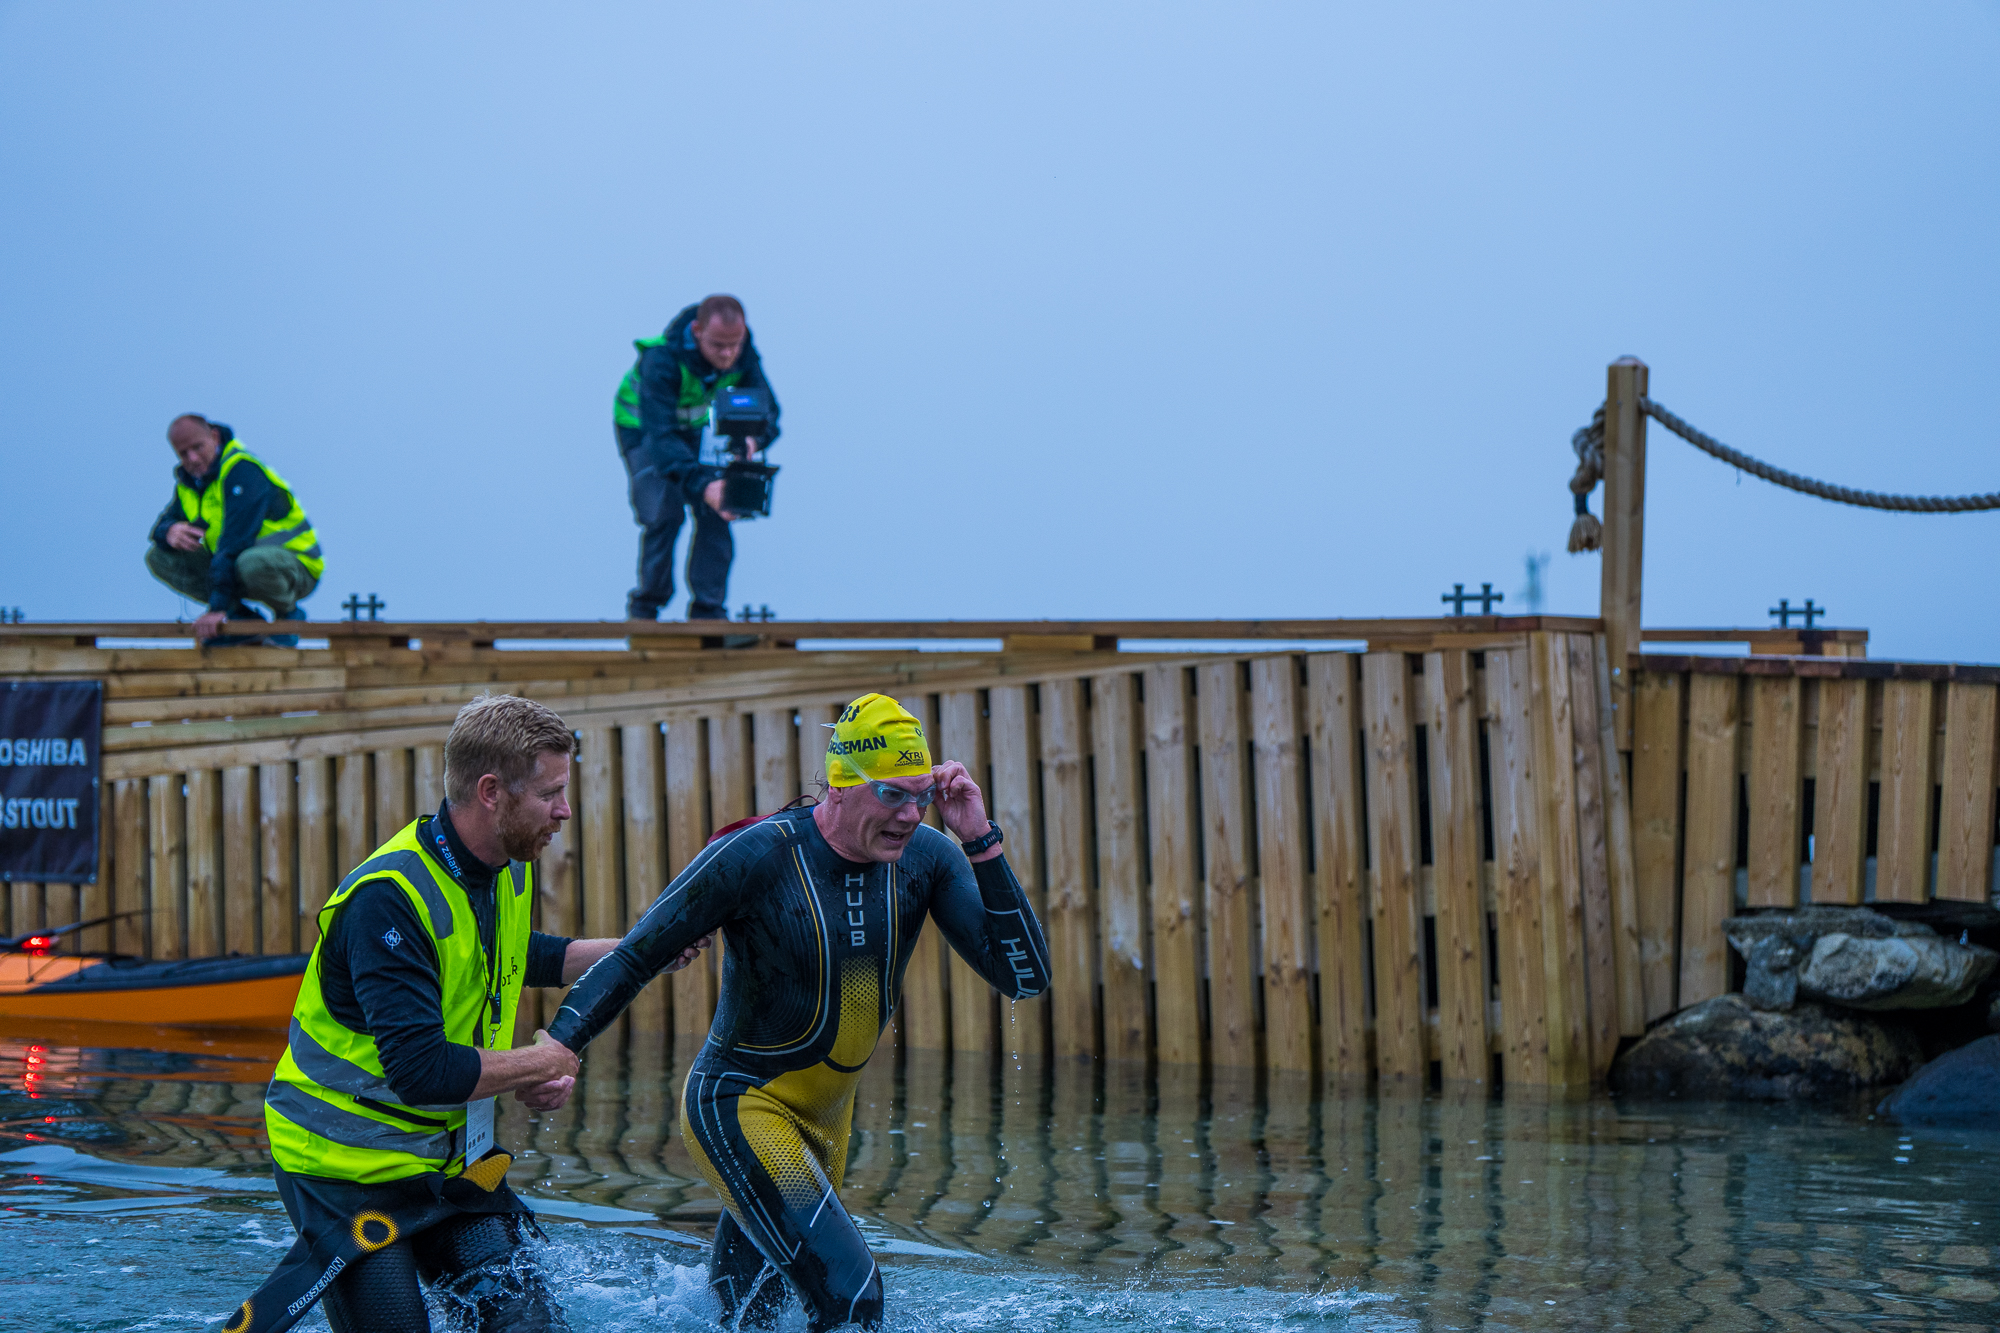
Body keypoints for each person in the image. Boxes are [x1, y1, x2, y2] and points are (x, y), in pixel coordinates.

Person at [547, 693, 1052, 1332]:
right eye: (894, 795)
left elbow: (1025, 978)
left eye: (921, 796)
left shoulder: (930, 859)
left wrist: (981, 840)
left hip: (823, 1128)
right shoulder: (759, 855)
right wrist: (560, 1047)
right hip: (739, 1105)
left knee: (748, 1318)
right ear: (840, 787)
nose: (911, 814)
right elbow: (634, 957)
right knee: (853, 1295)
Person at [248, 694, 705, 1333]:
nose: (565, 810)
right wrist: (538, 1063)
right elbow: (422, 1072)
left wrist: (644, 952)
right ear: (492, 791)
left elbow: (523, 958)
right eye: (550, 793)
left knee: (527, 1324)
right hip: (342, 1171)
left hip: (448, 1167)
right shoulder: (390, 900)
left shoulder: (504, 870)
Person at [612, 294, 781, 622]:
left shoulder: (741, 352)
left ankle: (709, 612)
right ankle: (646, 609)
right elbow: (661, 440)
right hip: (643, 429)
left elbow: (768, 410)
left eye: (735, 344)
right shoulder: (661, 361)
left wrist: (751, 439)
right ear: (697, 331)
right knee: (664, 511)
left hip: (693, 430)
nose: (728, 354)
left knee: (719, 509)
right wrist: (703, 484)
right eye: (718, 346)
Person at [145, 414, 324, 647]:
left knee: (250, 563)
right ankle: (243, 621)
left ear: (214, 437)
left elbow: (233, 544)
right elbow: (160, 527)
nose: (193, 458)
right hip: (239, 565)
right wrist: (169, 531)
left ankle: (287, 616)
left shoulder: (243, 472)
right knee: (160, 557)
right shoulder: (190, 484)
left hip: (295, 567)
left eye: (198, 447)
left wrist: (216, 610)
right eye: (183, 453)